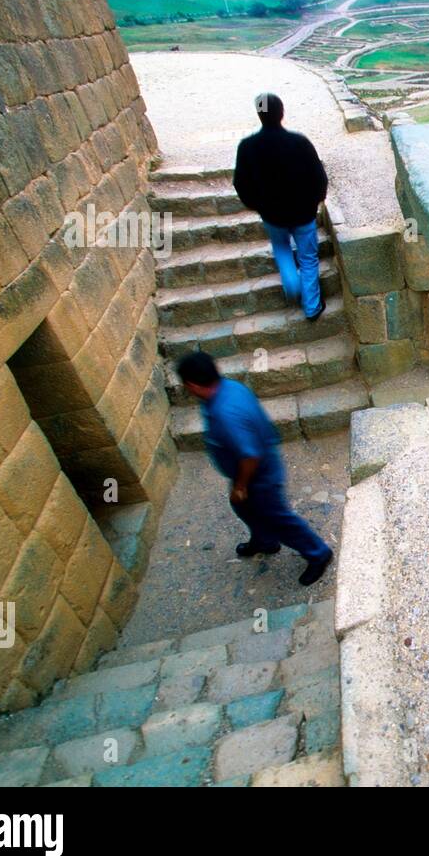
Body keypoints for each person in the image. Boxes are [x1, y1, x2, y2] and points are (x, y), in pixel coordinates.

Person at [175, 351, 333, 586]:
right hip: (254, 470)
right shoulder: (229, 388)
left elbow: (250, 455)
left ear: (193, 385)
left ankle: (318, 553)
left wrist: (240, 486)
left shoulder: (225, 413)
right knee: (243, 508)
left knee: (279, 518)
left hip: (257, 478)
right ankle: (264, 541)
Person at [233, 93, 329, 321]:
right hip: (303, 212)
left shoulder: (247, 147)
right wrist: (315, 200)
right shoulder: (299, 142)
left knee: (282, 248)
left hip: (272, 214)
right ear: (281, 113)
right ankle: (312, 305)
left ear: (259, 114)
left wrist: (256, 206)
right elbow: (319, 177)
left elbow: (241, 183)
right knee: (308, 257)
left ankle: (292, 285)